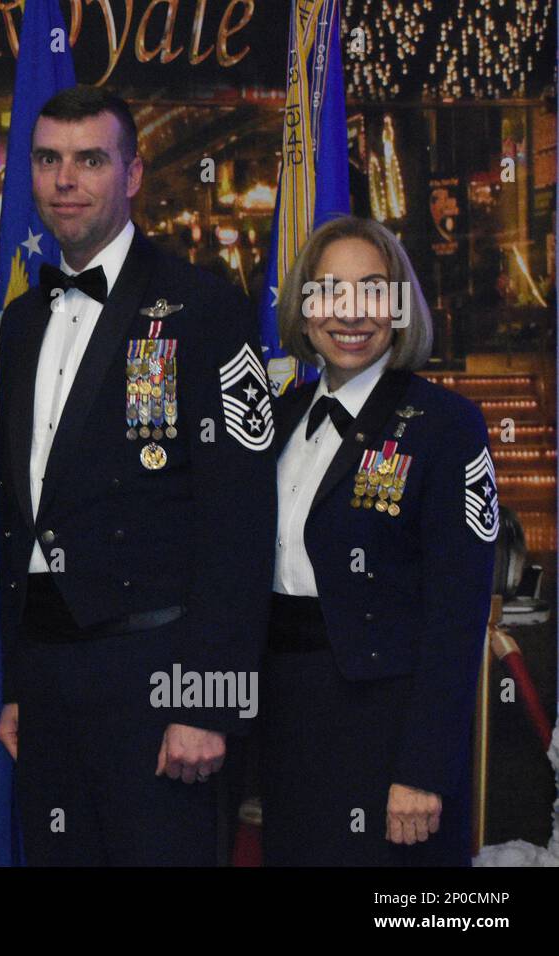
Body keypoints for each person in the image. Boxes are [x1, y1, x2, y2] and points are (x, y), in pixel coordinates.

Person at [0, 86, 277, 865]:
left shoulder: (206, 309)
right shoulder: (19, 324)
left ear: (134, 173)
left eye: (90, 159)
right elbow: (23, 519)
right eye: (48, 160)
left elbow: (241, 516)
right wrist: (18, 683)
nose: (66, 179)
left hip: (160, 674)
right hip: (49, 670)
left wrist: (208, 698)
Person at [262, 215, 496, 866]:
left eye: (372, 291)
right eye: (330, 290)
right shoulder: (278, 418)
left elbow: (458, 616)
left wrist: (422, 767)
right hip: (288, 724)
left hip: (387, 732)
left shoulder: (445, 426)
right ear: (304, 308)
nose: (351, 312)